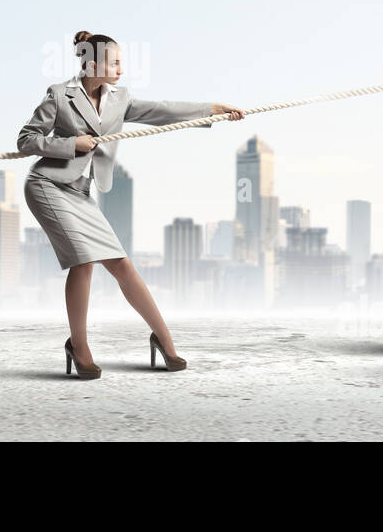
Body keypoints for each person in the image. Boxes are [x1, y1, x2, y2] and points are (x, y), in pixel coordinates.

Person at [18, 31, 245, 379]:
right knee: (84, 263)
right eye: (116, 62)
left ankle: (165, 342)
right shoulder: (59, 95)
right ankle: (79, 347)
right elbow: (26, 140)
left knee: (123, 266)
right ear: (93, 64)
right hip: (48, 185)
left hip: (81, 193)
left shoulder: (119, 98)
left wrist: (213, 109)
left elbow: (162, 111)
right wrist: (70, 143)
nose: (121, 69)